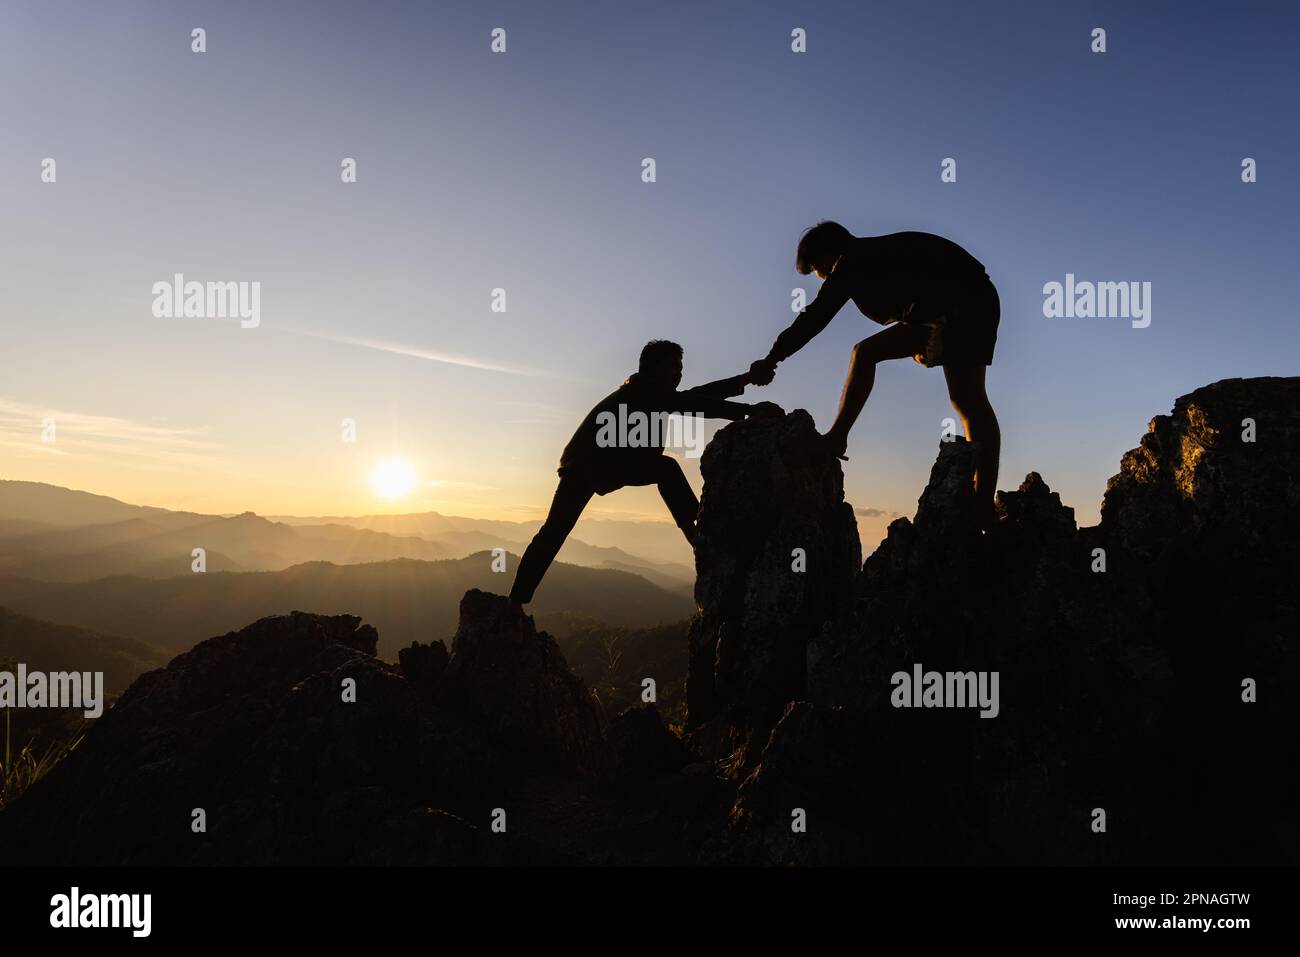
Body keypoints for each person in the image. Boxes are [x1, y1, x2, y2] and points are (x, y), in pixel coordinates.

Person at [748, 221, 1002, 523]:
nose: (822, 277)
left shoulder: (852, 262)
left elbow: (815, 317)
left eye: (818, 268)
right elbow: (920, 291)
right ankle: (983, 503)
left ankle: (838, 437)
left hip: (966, 305)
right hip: (966, 301)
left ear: (828, 254)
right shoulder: (873, 256)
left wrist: (773, 358)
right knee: (966, 399)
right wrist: (927, 339)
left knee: (870, 355)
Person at [509, 339, 781, 605]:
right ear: (651, 368)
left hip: (596, 463)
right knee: (664, 469)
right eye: (673, 366)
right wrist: (748, 410)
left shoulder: (648, 392)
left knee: (555, 531)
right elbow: (692, 403)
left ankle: (516, 600)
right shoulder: (644, 391)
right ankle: (697, 535)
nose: (679, 373)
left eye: (680, 367)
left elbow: (693, 397)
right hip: (589, 464)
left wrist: (744, 381)